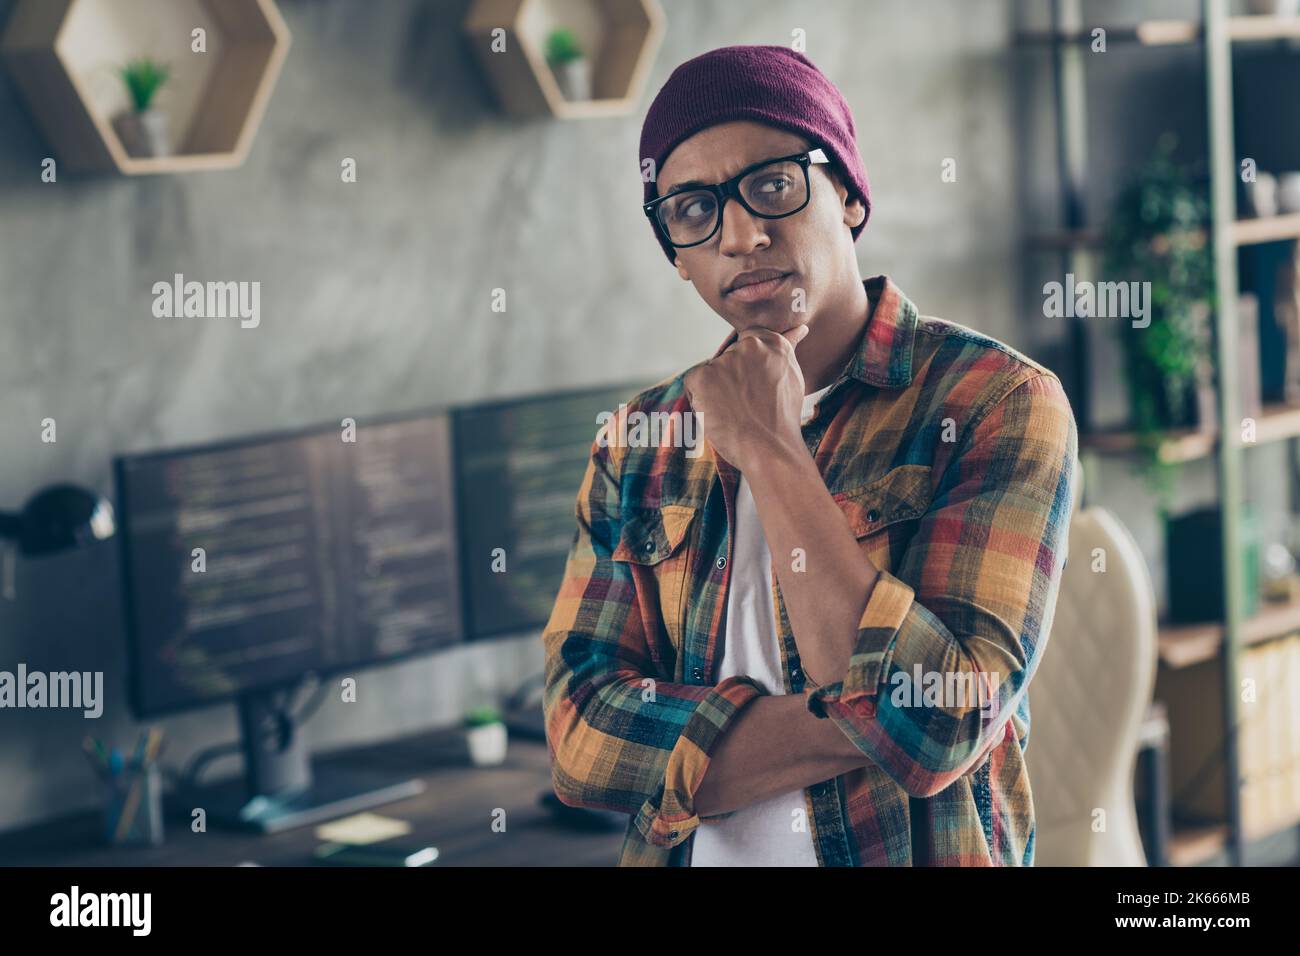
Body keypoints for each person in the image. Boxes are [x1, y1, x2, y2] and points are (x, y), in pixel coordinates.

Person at [542, 45, 1078, 866]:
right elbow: (581, 742)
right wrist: (861, 721)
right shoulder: (640, 440)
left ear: (849, 196)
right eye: (693, 210)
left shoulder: (993, 402)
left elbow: (939, 727)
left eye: (774, 185)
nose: (742, 234)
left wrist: (769, 446)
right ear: (677, 254)